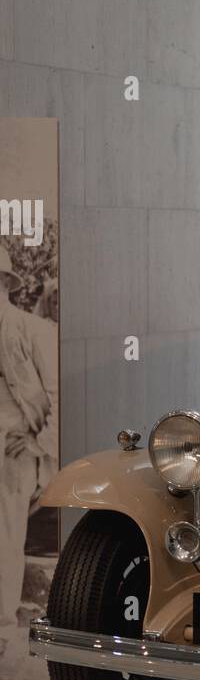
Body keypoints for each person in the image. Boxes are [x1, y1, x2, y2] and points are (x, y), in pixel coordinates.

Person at [0, 246, 58, 633]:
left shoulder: (32, 329)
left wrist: (39, 444)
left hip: (11, 448)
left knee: (5, 537)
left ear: (6, 283)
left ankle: (1, 624)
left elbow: (59, 394)